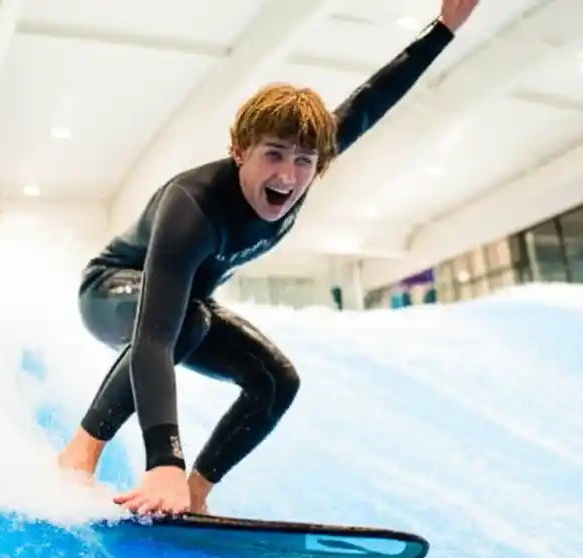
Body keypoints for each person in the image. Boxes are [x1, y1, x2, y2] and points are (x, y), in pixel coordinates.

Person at [58, 0, 483, 516]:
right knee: (186, 321)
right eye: (274, 154)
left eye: (304, 160)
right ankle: (81, 455)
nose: (288, 176)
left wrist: (443, 29)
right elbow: (154, 339)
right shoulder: (192, 206)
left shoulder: (304, 171)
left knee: (275, 380)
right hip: (111, 291)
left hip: (183, 309)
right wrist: (162, 459)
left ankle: (194, 497)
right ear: (241, 150)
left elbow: (373, 100)